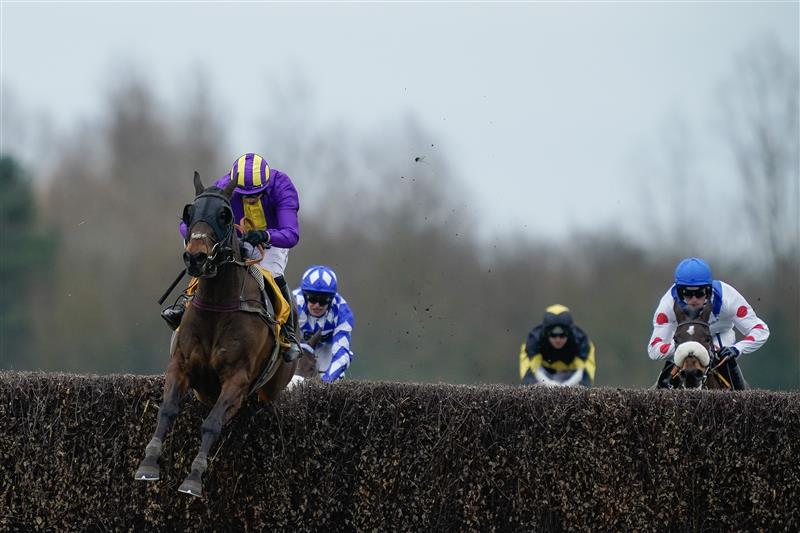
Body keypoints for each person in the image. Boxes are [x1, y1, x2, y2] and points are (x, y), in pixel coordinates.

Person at [161, 152, 302, 361]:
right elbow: (188, 225)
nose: (250, 198)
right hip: (233, 238)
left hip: (271, 242)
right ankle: (184, 306)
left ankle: (288, 333)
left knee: (271, 273)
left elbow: (291, 234)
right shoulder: (223, 186)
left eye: (257, 194)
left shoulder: (283, 187)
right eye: (244, 194)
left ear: (266, 184)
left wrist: (265, 235)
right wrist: (198, 237)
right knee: (208, 262)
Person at [648, 257, 770, 389]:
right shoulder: (667, 306)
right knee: (662, 382)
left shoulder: (728, 298)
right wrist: (681, 346)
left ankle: (744, 401)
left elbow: (760, 329)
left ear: (708, 290)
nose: (694, 300)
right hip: (682, 340)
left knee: (727, 362)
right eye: (687, 293)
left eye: (699, 293)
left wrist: (737, 348)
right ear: (679, 291)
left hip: (719, 337)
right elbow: (654, 348)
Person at [293, 265, 355, 382]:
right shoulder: (293, 304)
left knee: (334, 382)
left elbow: (342, 354)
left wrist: (325, 383)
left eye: (323, 300)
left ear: (331, 299)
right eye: (312, 298)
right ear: (305, 296)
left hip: (327, 349)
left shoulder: (343, 312)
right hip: (296, 345)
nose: (317, 305)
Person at [519, 304, 596, 387]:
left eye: (562, 335)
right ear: (546, 333)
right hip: (543, 374)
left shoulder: (582, 343)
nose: (558, 340)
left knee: (585, 389)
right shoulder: (532, 343)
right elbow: (534, 371)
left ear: (569, 333)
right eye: (553, 335)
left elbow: (581, 373)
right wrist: (552, 385)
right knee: (529, 386)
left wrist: (565, 387)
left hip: (572, 376)